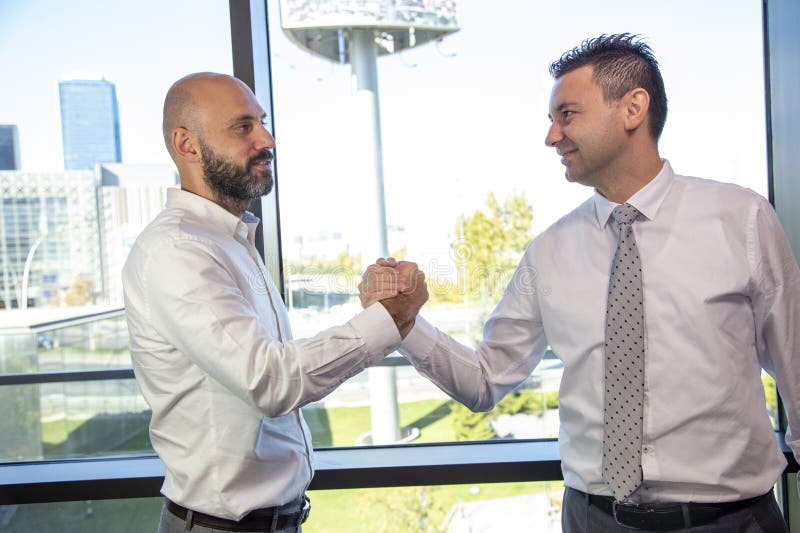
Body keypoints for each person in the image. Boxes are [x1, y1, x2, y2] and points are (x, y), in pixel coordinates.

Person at [361, 34, 799, 532]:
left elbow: (797, 370)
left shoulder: (741, 220)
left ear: (633, 108)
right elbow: (485, 380)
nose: (552, 136)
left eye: (566, 115)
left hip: (734, 522)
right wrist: (404, 322)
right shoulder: (548, 252)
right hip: (593, 520)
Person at [122, 72, 428, 533]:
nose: (267, 139)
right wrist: (387, 319)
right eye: (243, 127)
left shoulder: (229, 242)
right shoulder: (179, 251)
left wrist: (378, 313)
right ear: (187, 145)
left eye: (262, 122)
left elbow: (272, 365)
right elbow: (271, 381)